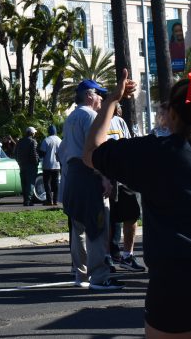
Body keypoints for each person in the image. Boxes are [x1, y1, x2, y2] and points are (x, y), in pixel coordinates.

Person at [85, 69, 191, 337]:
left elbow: (92, 152)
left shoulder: (151, 152)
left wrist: (111, 101)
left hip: (175, 278)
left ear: (172, 114)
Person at [60, 79, 120, 290]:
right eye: (99, 94)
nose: (102, 98)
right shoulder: (91, 116)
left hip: (73, 175)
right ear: (89, 95)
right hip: (89, 174)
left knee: (78, 227)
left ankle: (81, 274)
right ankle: (99, 277)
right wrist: (103, 177)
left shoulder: (70, 118)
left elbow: (64, 151)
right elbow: (95, 150)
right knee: (97, 226)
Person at [104, 102, 144, 273]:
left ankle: (127, 256)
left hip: (124, 177)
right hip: (106, 177)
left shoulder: (120, 122)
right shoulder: (98, 121)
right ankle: (106, 257)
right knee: (107, 219)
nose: (119, 107)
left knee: (132, 215)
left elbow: (128, 146)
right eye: (116, 103)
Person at [15, 127, 39, 206]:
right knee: (30, 183)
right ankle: (28, 201)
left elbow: (15, 153)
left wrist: (19, 162)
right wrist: (36, 162)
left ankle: (25, 200)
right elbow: (34, 154)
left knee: (24, 183)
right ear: (32, 133)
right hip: (31, 165)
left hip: (22, 165)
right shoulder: (33, 142)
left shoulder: (20, 141)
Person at [39, 124, 62, 206]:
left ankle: (49, 200)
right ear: (56, 132)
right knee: (56, 183)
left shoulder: (46, 140)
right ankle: (55, 200)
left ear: (48, 132)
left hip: (47, 165)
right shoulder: (59, 140)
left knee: (47, 183)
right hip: (57, 165)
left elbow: (42, 153)